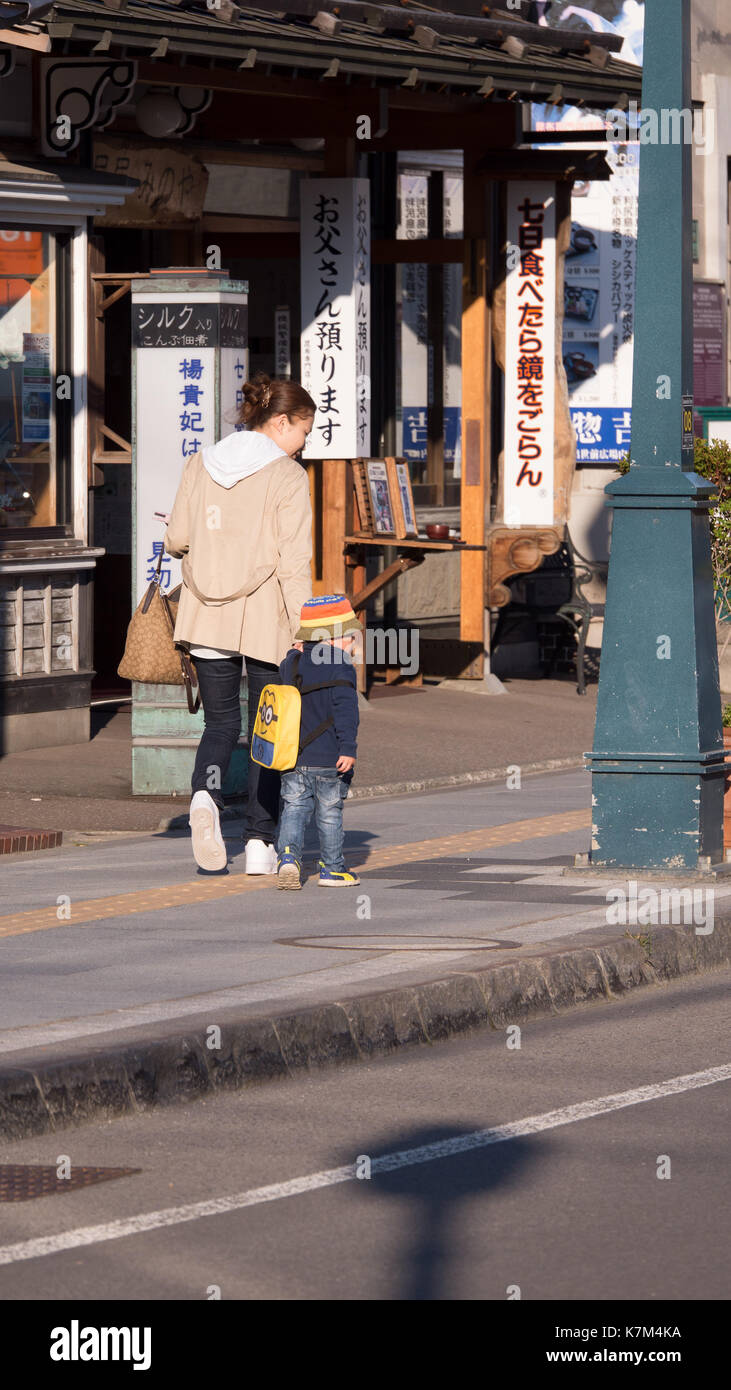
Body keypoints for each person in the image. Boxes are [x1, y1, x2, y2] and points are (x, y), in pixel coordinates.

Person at [163, 373, 315, 874]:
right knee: (268, 729)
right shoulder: (288, 477)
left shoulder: (200, 463)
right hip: (266, 618)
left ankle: (205, 796)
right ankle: (257, 844)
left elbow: (178, 540)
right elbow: (295, 562)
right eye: (303, 432)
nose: (304, 444)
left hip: (207, 613)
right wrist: (303, 627)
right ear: (281, 422)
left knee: (221, 723)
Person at [276, 594, 362, 890]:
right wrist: (348, 748)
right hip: (329, 758)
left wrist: (293, 653)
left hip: (293, 756)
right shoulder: (341, 667)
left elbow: (284, 676)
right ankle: (332, 869)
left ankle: (287, 858)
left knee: (294, 808)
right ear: (331, 637)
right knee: (328, 814)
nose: (353, 644)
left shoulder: (293, 664)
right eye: (350, 637)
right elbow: (346, 712)